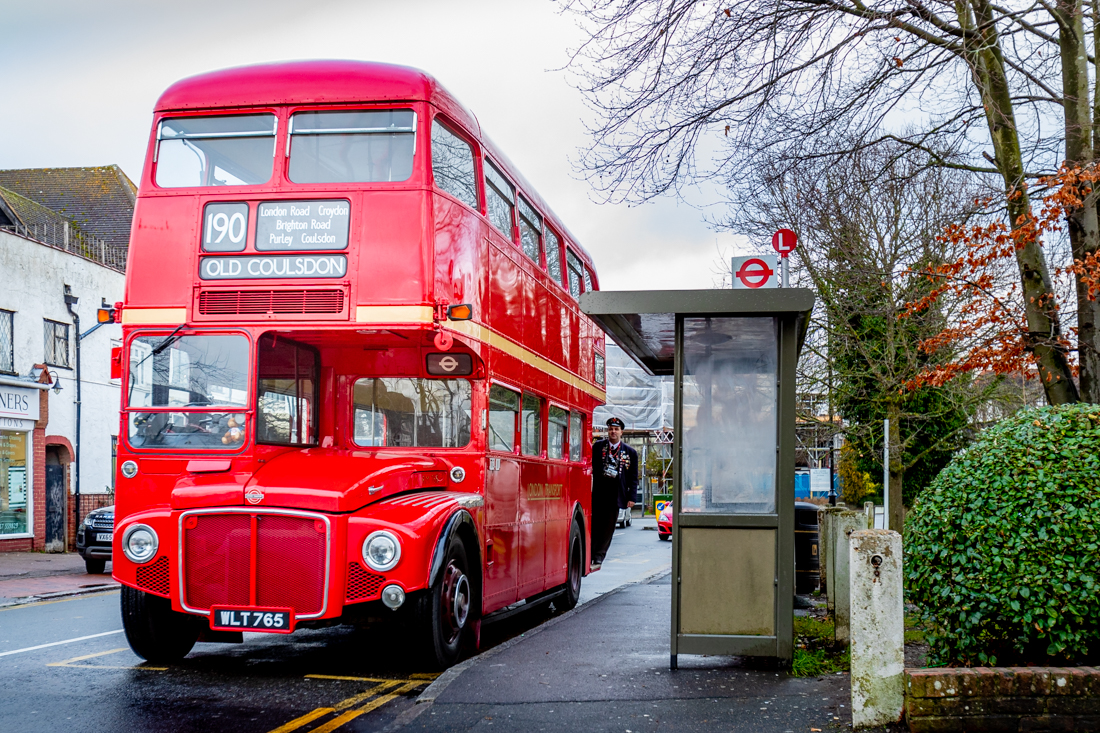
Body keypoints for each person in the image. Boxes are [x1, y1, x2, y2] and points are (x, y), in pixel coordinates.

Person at [590, 417, 638, 567]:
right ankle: (590, 553)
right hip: (598, 493)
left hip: (616, 494)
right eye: (611, 429)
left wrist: (632, 497)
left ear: (621, 432)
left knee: (608, 528)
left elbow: (633, 477)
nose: (613, 432)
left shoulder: (630, 452)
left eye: (616, 429)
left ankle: (599, 556)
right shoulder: (597, 447)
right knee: (595, 525)